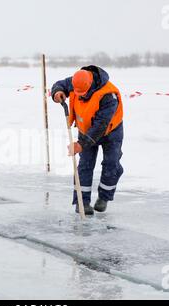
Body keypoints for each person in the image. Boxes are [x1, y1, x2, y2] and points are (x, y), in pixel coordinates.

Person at [51, 65, 124, 215]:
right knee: (85, 165)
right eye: (79, 94)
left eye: (83, 93)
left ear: (90, 84)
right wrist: (57, 92)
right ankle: (81, 202)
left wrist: (80, 145)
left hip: (111, 131)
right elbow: (60, 84)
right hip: (85, 128)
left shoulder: (108, 96)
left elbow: (100, 126)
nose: (81, 96)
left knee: (112, 163)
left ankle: (104, 197)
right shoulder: (78, 81)